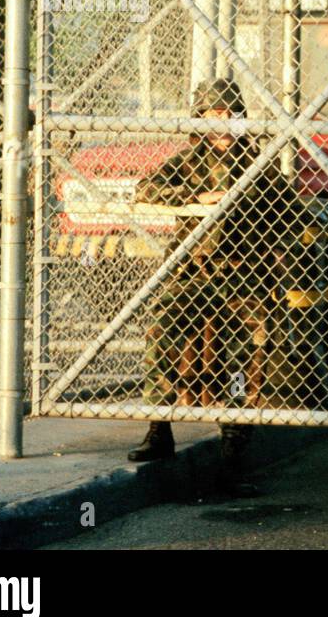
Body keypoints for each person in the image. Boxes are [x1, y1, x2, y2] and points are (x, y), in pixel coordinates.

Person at [126, 78, 295, 498]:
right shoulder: (188, 161)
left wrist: (253, 219)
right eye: (213, 115)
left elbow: (290, 215)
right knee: (162, 328)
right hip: (194, 272)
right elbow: (143, 189)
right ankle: (159, 429)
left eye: (229, 115)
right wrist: (196, 196)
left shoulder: (257, 164)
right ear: (200, 119)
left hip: (243, 275)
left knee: (245, 358)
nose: (221, 123)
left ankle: (231, 462)